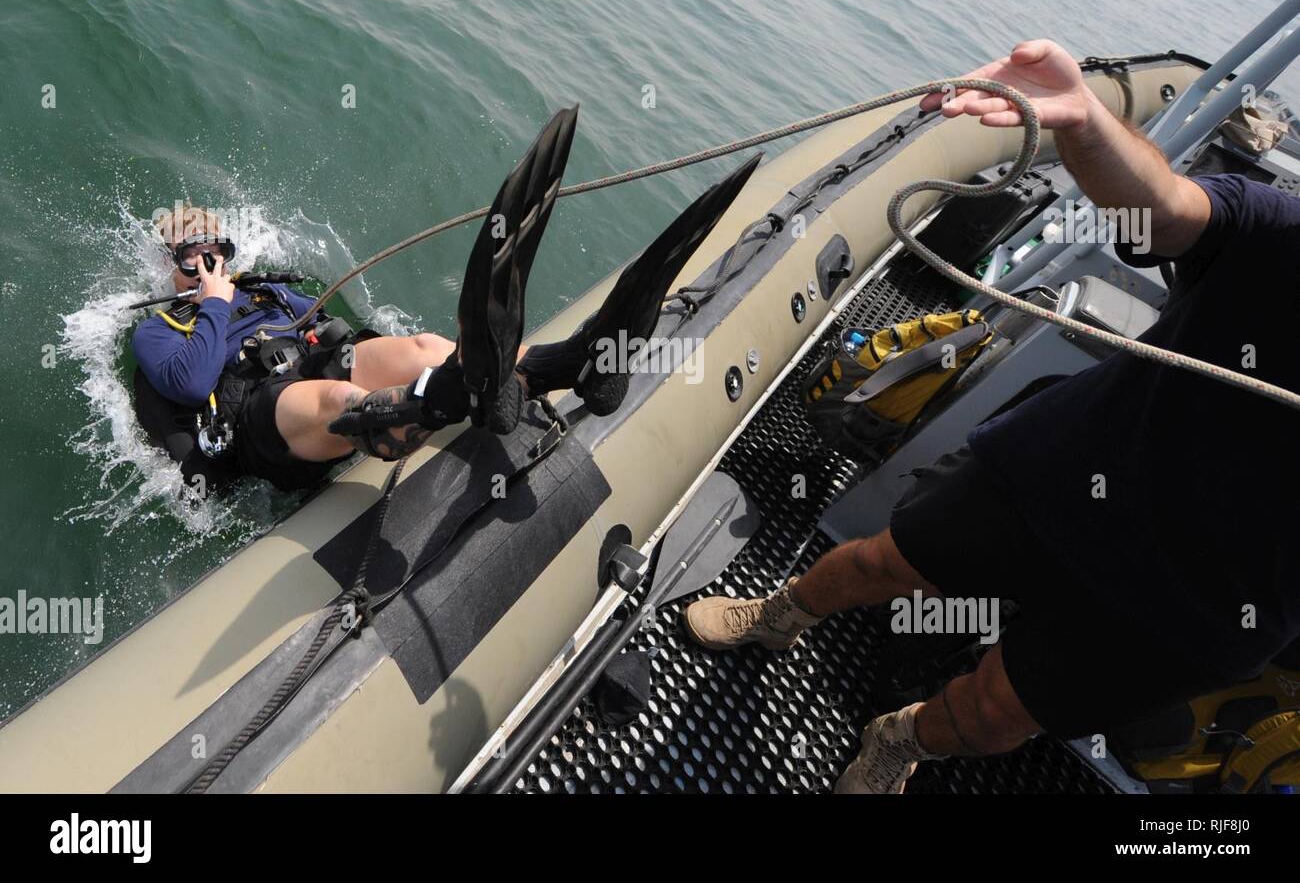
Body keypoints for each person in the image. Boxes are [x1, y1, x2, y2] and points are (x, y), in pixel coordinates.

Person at [683, 39, 1300, 793]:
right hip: (1075, 473)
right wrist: (1082, 124)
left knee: (996, 715)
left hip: (1207, 603)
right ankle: (782, 613)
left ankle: (901, 740)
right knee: (885, 561)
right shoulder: (1286, 238)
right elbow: (1164, 214)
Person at [133, 107, 760, 492]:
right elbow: (188, 386)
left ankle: (571, 366)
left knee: (430, 348)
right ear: (172, 265)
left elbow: (330, 329)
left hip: (311, 356)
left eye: (216, 248)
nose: (209, 261)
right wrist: (212, 302)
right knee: (337, 399)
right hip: (260, 413)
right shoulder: (158, 327)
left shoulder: (270, 287)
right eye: (192, 253)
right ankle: (452, 396)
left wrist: (326, 332)